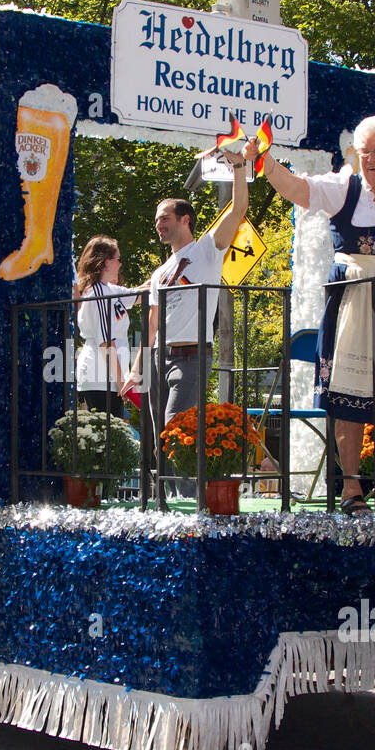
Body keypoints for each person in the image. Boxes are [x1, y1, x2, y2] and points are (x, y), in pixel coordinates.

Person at [244, 117, 375, 516]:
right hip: (354, 299)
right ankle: (352, 490)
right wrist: (266, 160)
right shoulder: (346, 187)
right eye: (365, 151)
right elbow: (298, 190)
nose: (371, 159)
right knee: (349, 399)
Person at [122, 150, 249, 498]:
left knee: (176, 428)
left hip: (191, 356)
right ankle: (164, 504)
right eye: (157, 221)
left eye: (165, 218)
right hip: (157, 358)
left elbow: (238, 210)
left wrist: (238, 166)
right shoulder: (159, 272)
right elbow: (152, 319)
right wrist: (138, 366)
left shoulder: (208, 249)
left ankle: (193, 501)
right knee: (158, 435)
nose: (159, 224)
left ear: (185, 219)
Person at [73, 236, 140, 420]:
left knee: (111, 439)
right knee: (107, 441)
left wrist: (171, 274)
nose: (120, 264)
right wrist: (121, 381)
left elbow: (142, 293)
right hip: (101, 378)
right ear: (105, 262)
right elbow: (105, 341)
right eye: (118, 259)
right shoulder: (98, 293)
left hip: (108, 379)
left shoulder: (109, 289)